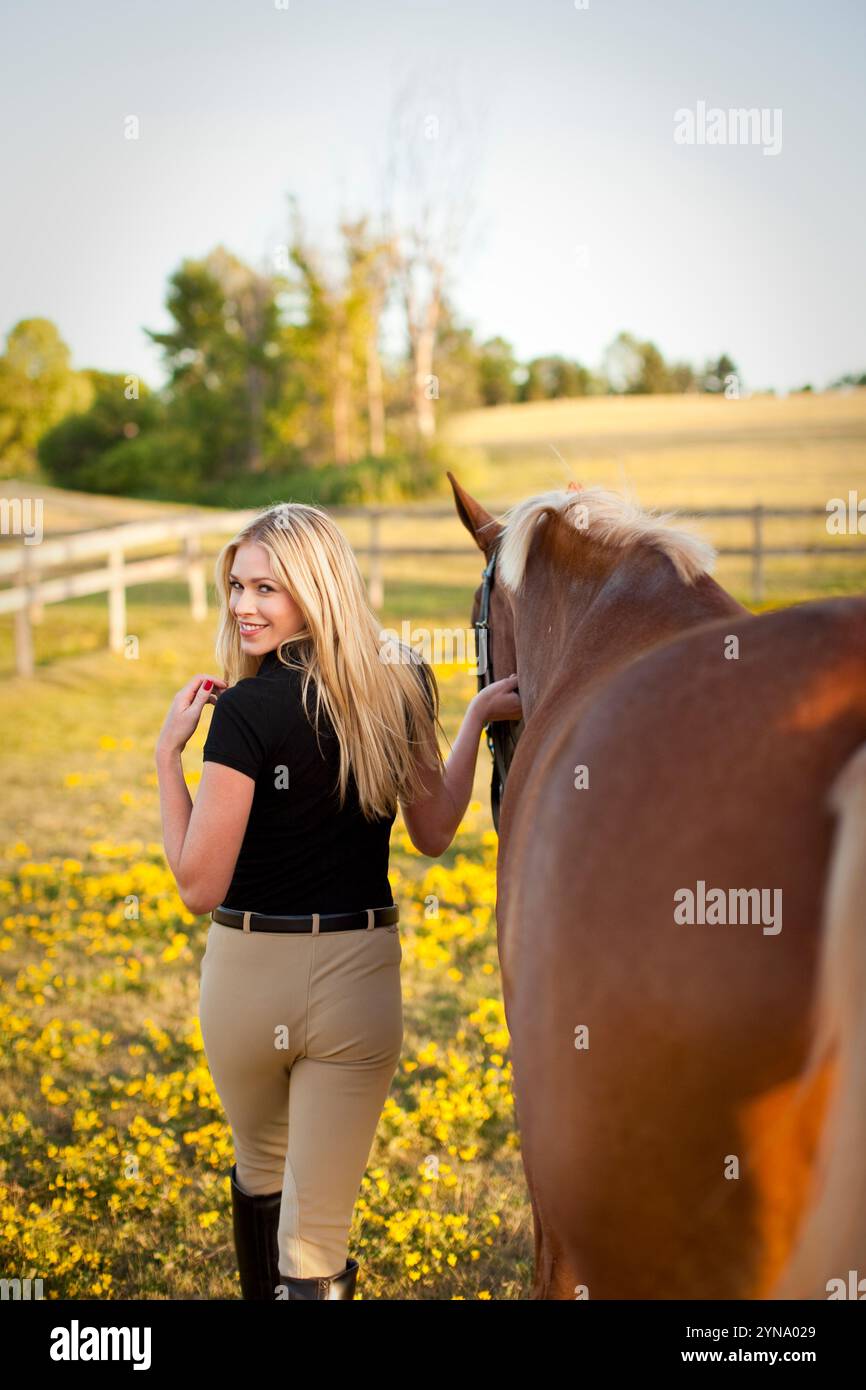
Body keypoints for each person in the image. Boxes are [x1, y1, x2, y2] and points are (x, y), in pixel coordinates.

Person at [155, 501, 521, 1300]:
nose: (243, 607)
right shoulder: (401, 681)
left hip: (248, 980)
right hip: (360, 978)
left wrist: (164, 761)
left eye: (267, 590)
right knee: (315, 1244)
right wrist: (475, 722)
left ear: (315, 590)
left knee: (262, 1176)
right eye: (237, 586)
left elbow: (195, 886)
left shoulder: (246, 711)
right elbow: (433, 831)